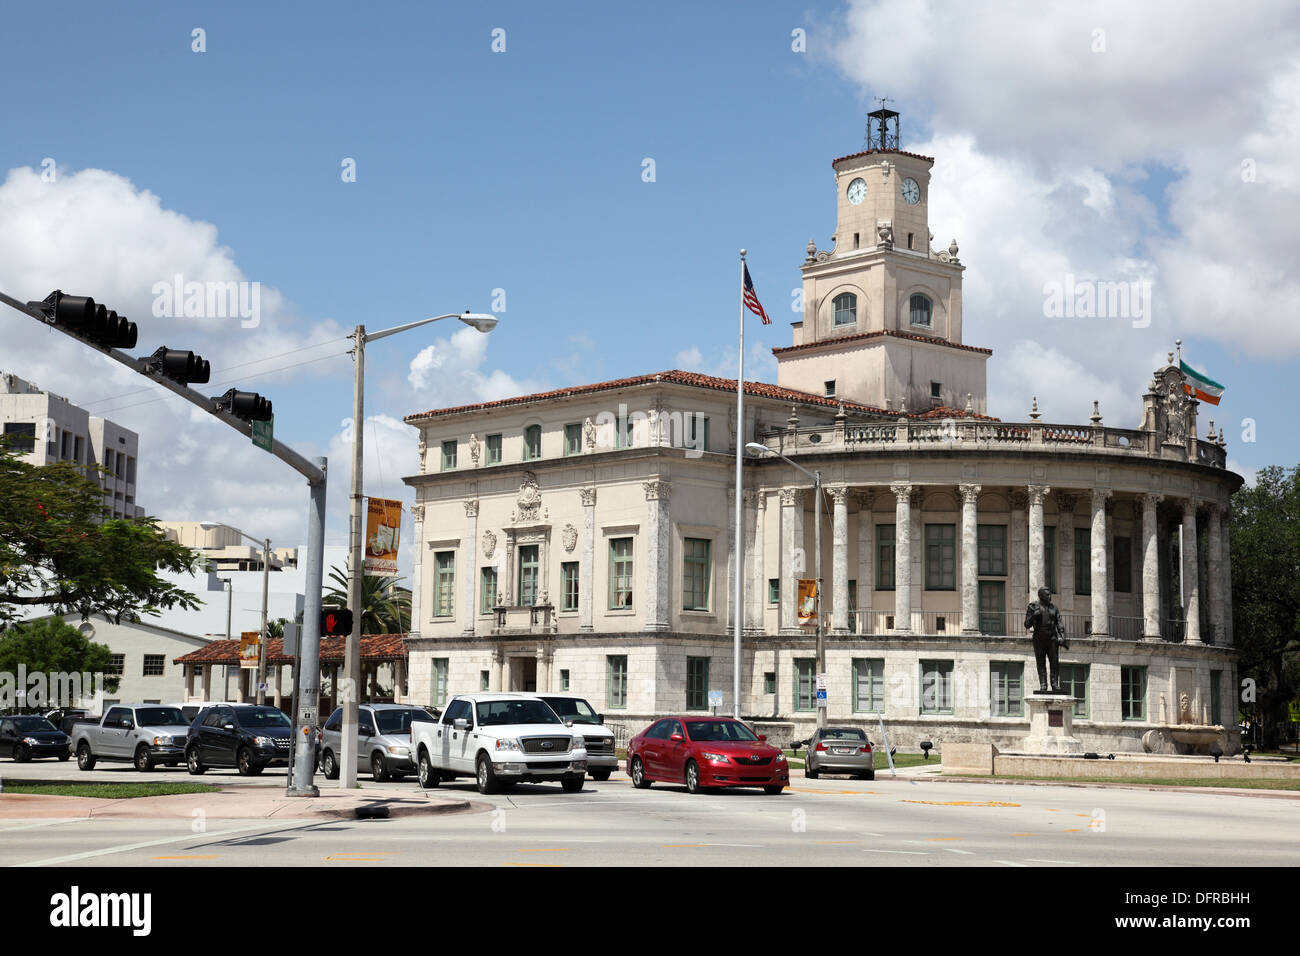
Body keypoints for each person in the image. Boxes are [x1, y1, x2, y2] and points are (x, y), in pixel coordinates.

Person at [1024, 586, 1068, 693]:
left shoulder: (1054, 608)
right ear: (1041, 596)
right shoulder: (1033, 606)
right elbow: (1026, 624)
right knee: (1041, 662)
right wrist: (1034, 615)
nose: (1050, 596)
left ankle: (1054, 684)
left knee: (1054, 662)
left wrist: (1062, 636)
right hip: (1039, 639)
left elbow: (1059, 623)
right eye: (1047, 595)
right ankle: (1043, 684)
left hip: (1052, 639)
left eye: (1050, 594)